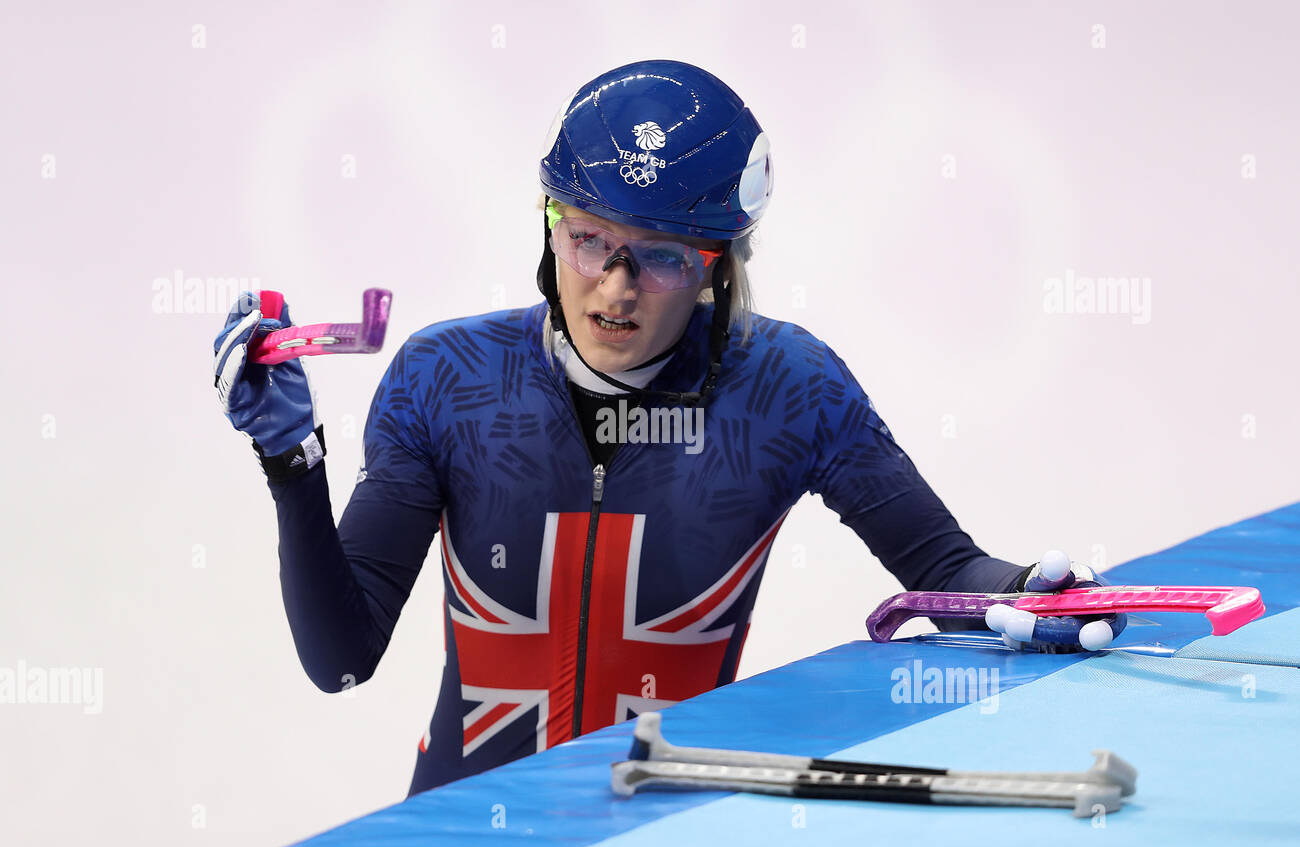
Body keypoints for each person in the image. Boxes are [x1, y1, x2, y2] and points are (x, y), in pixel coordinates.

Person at [213, 60, 1127, 797]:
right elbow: (339, 663)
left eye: (656, 257)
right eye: (585, 240)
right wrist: (292, 463)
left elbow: (943, 571)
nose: (612, 287)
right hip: (472, 830)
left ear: (720, 268)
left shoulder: (788, 385)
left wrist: (1023, 593)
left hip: (671, 833)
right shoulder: (446, 377)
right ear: (547, 228)